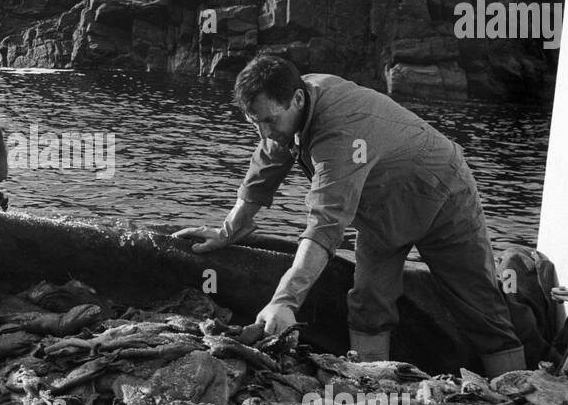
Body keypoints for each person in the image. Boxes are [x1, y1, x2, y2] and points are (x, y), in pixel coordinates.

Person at [173, 54, 526, 376]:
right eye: (254, 122)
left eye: (269, 120)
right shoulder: (288, 106)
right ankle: (371, 388)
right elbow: (265, 167)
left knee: (479, 306)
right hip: (380, 211)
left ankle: (520, 390)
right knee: (368, 305)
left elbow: (324, 226)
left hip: (444, 197)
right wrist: (229, 229)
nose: (264, 132)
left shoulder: (340, 133)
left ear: (297, 99)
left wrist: (284, 300)